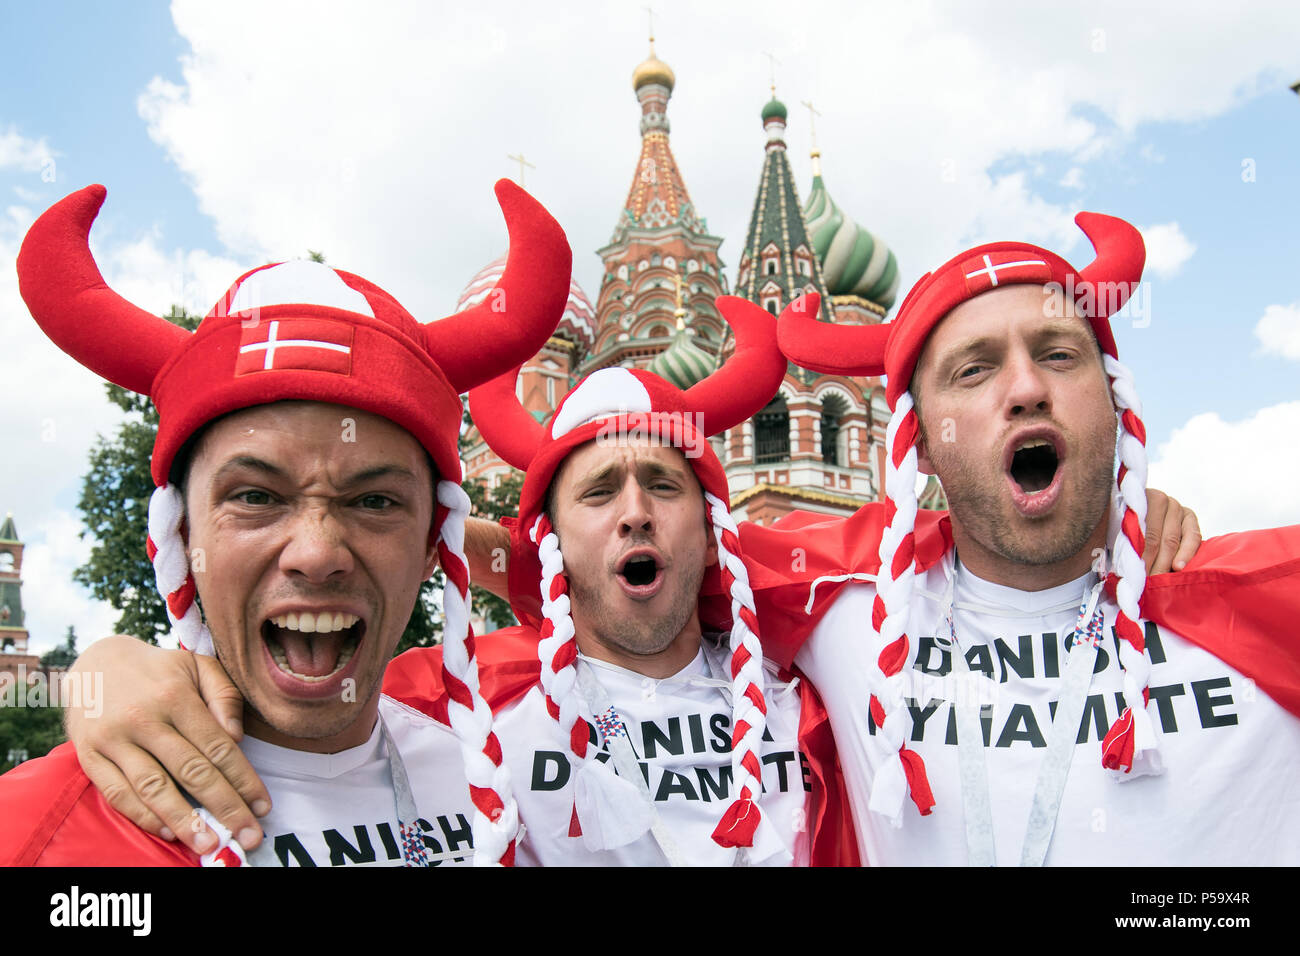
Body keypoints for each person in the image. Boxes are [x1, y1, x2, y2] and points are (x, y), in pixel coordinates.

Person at [0, 178, 573, 866]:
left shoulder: (511, 776)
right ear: (180, 538)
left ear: (432, 547)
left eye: (374, 501)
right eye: (255, 496)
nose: (316, 553)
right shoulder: (36, 833)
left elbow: (630, 609)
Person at [742, 212, 1300, 864]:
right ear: (917, 442)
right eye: (973, 371)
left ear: (1116, 403)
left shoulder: (1268, 598)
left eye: (1059, 355)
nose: (1027, 389)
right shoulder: (837, 597)